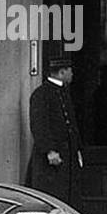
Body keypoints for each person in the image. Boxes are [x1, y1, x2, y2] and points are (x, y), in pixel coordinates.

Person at [28, 55, 83, 205]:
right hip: (52, 156)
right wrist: (49, 150)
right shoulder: (41, 94)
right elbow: (39, 125)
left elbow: (71, 124)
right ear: (62, 72)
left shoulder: (64, 92)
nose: (72, 74)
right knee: (52, 193)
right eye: (70, 70)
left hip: (67, 153)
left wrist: (76, 148)